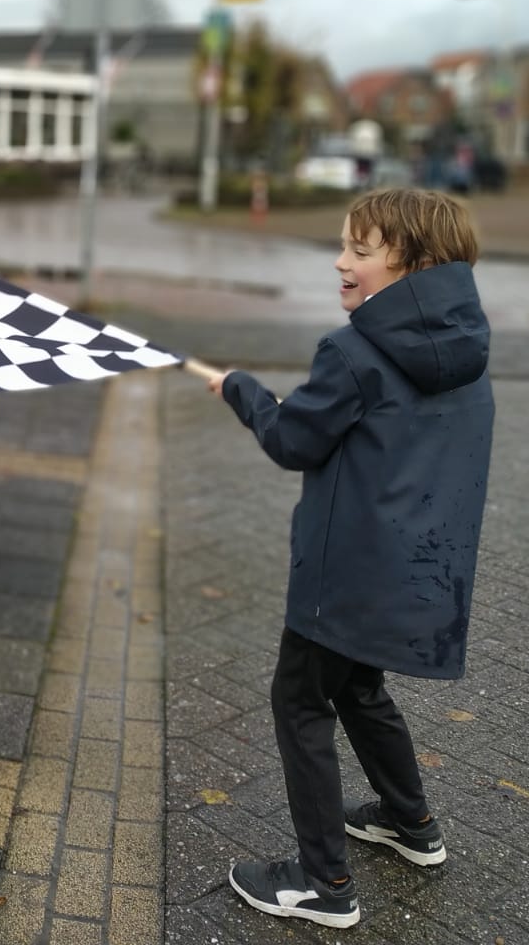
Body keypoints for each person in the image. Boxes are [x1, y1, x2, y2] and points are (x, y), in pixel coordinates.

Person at [205, 187, 495, 930]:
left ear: (415, 263)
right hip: (420, 572)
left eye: (360, 250)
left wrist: (241, 390)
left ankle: (324, 883)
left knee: (301, 700)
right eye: (344, 245)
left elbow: (291, 440)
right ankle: (410, 823)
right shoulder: (467, 351)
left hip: (343, 581)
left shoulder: (354, 352)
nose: (340, 261)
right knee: (360, 690)